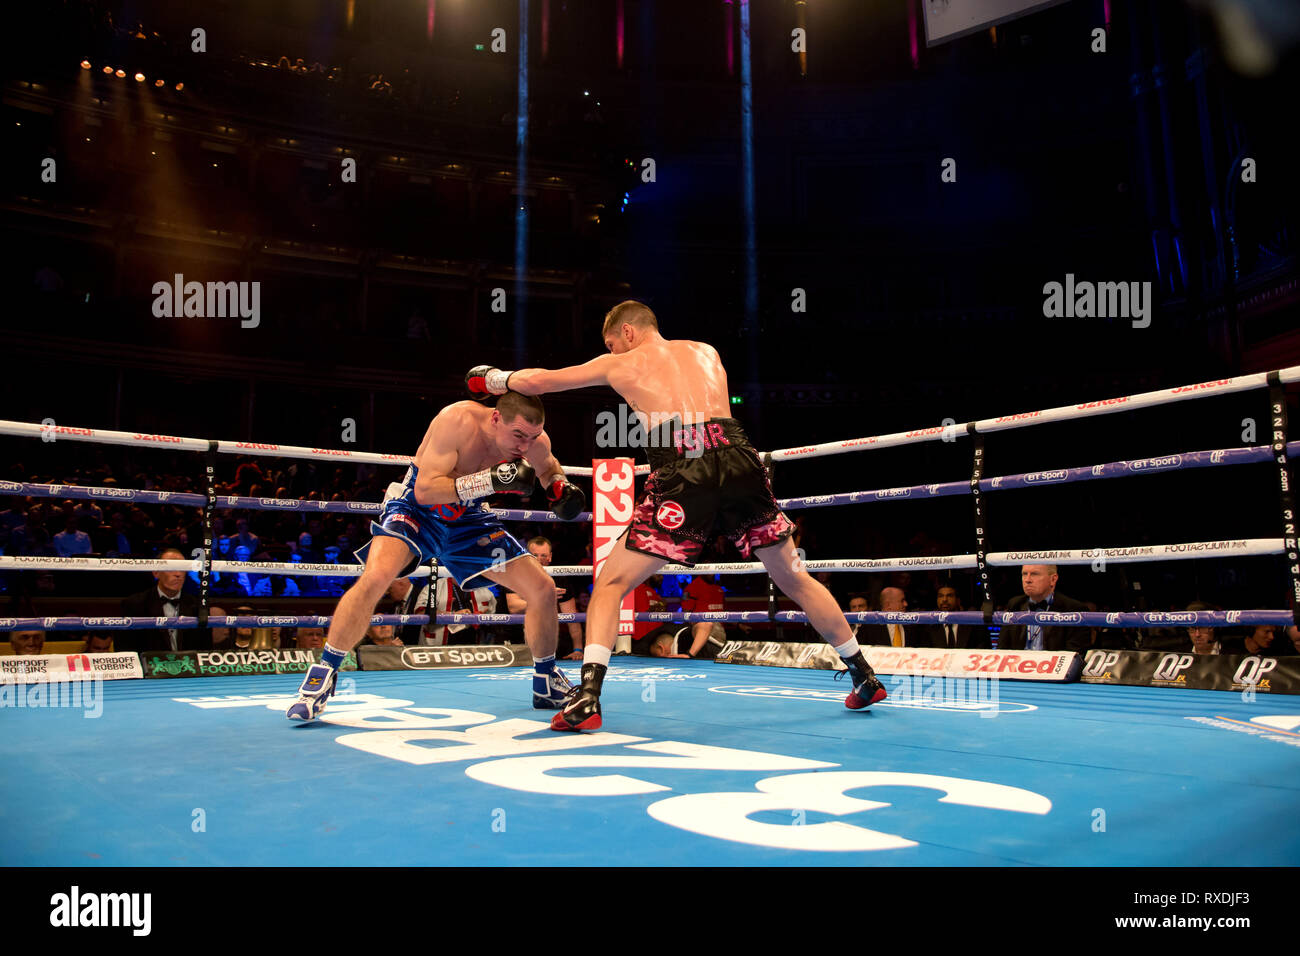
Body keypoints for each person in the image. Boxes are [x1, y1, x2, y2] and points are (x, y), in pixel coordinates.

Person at [468, 299, 886, 730]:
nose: (612, 354)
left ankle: (588, 699)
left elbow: (542, 381)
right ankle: (863, 673)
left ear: (627, 333)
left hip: (686, 465)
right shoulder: (707, 352)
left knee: (610, 582)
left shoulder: (622, 363)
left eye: (612, 345)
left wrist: (494, 379)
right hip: (741, 456)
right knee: (793, 577)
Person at [286, 391, 588, 720]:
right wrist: (488, 480)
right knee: (377, 576)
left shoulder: (533, 440)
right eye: (518, 435)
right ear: (496, 418)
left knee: (542, 588)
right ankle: (323, 674)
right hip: (418, 509)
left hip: (469, 518)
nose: (524, 446)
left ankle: (545, 680)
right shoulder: (457, 420)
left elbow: (547, 467)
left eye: (532, 437)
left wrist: (559, 485)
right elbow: (426, 490)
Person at [503, 536, 584, 659]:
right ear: (526, 556)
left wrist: (578, 649)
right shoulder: (516, 574)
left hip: (549, 639)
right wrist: (544, 596)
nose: (539, 560)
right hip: (514, 640)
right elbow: (514, 607)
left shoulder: (559, 578)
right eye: (534, 555)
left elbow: (571, 617)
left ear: (550, 557)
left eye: (544, 556)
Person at [118, 548, 212, 652]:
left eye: (182, 569)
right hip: (149, 666)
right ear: (156, 572)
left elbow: (205, 648)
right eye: (172, 568)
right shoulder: (135, 604)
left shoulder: (198, 605)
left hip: (188, 666)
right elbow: (126, 647)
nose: (178, 574)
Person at [997, 564, 1092, 652]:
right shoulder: (1015, 604)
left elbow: (1074, 655)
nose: (1027, 580)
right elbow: (1002, 649)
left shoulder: (1073, 609)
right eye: (1024, 574)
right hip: (1017, 667)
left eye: (1035, 574)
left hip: (1053, 668)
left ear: (1053, 579)